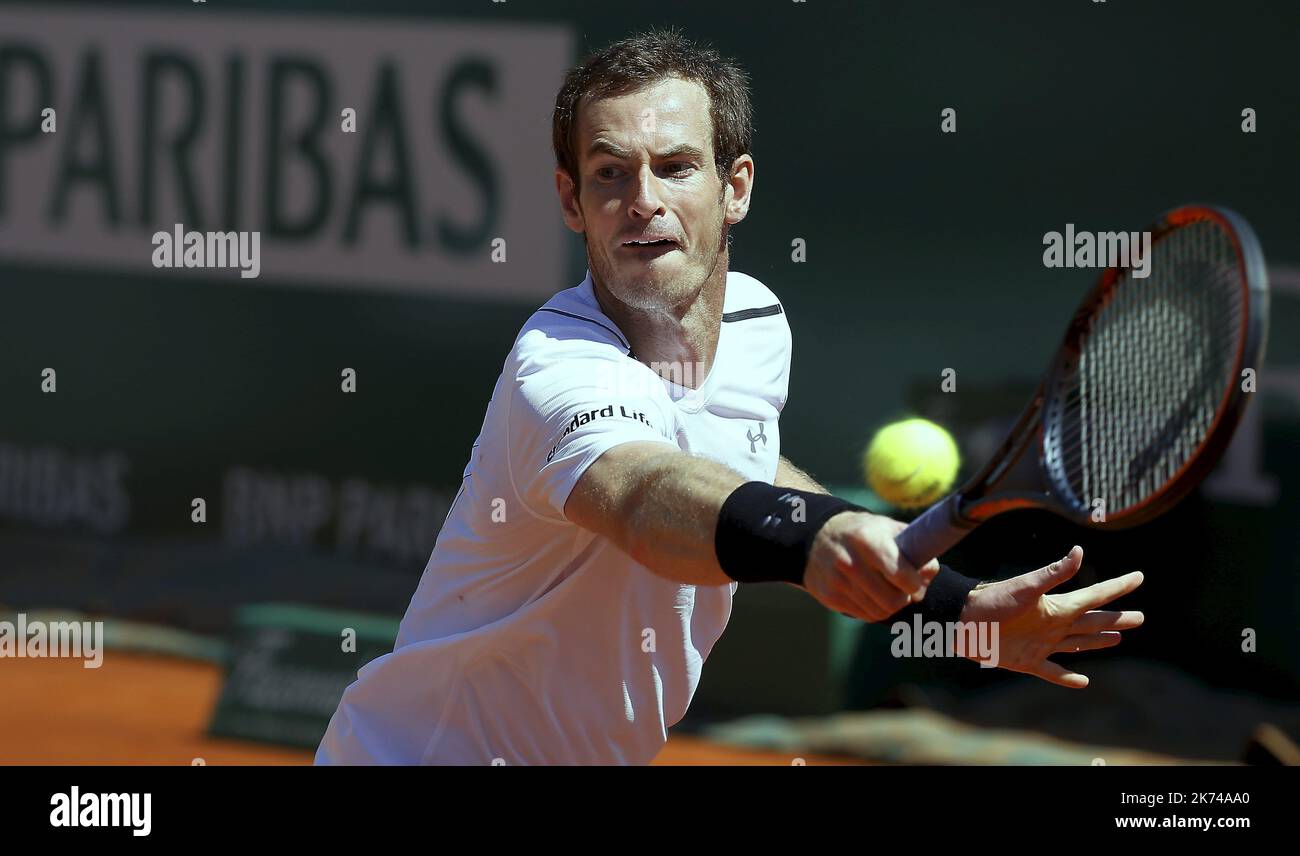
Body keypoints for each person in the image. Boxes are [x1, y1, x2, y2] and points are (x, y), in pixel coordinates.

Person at [316, 28, 1144, 766]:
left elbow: (739, 460)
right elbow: (646, 499)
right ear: (572, 201)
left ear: (735, 187)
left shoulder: (753, 319)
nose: (644, 199)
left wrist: (960, 606)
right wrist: (802, 546)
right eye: (611, 174)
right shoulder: (558, 367)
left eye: (676, 167)